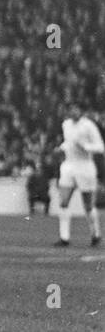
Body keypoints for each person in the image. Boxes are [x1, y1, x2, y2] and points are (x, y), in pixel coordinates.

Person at [54, 100, 102, 247]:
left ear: (81, 111)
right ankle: (64, 237)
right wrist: (61, 148)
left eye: (76, 109)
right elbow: (68, 142)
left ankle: (95, 234)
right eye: (71, 109)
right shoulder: (66, 124)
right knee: (63, 201)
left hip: (85, 166)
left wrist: (86, 147)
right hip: (69, 165)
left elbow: (100, 147)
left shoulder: (88, 126)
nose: (73, 112)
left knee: (88, 205)